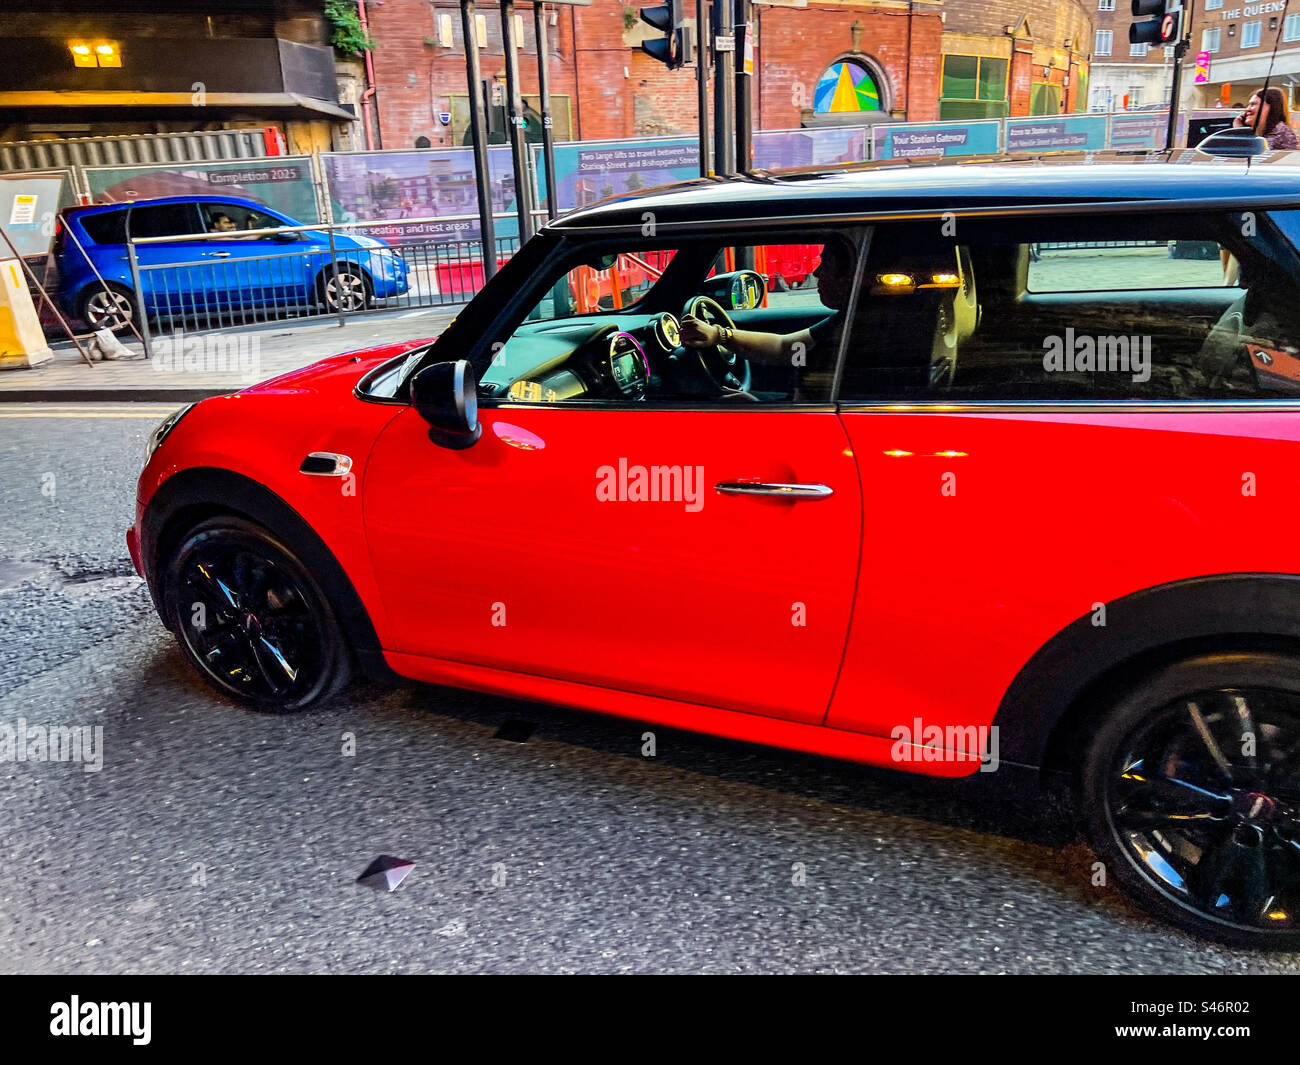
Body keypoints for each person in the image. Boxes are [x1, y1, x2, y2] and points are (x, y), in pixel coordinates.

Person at [679, 240, 853, 364]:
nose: (816, 273)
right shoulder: (846, 318)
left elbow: (785, 348)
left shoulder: (862, 324)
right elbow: (783, 347)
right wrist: (720, 335)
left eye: (827, 264)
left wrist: (719, 335)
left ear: (854, 274)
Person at [1234, 87, 1299, 150]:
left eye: (1253, 104)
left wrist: (1239, 132)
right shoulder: (1266, 133)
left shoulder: (1280, 132)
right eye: (1248, 105)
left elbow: (1256, 153)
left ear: (1272, 107)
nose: (1247, 109)